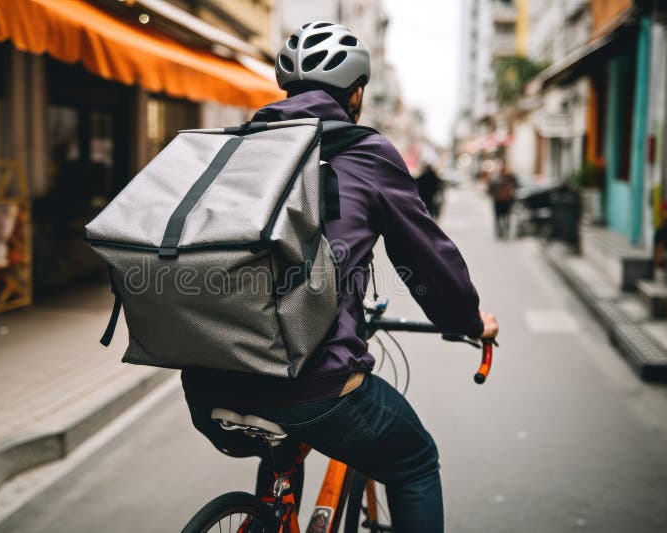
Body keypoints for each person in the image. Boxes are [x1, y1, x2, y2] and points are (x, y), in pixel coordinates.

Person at [181, 22, 499, 533]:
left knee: (284, 442)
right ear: (355, 95)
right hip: (314, 389)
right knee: (413, 461)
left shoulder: (238, 149)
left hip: (207, 382)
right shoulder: (365, 153)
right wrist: (465, 320)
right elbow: (426, 258)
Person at [489, 167, 518, 239]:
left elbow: (490, 190)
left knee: (503, 218)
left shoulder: (499, 179)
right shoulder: (505, 179)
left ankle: (502, 232)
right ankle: (502, 231)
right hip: (500, 201)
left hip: (502, 202)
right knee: (502, 218)